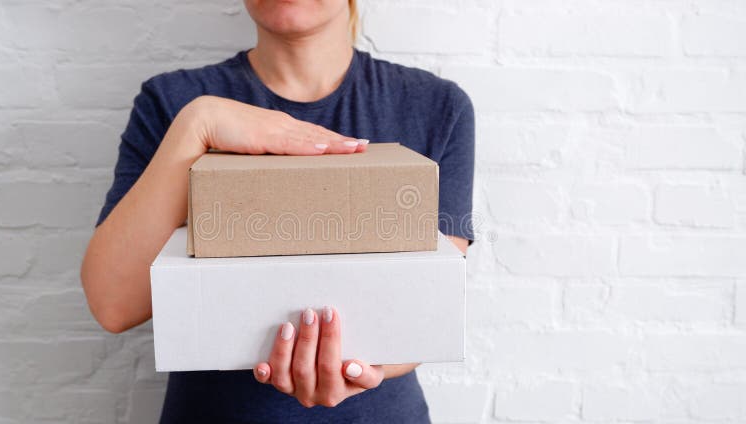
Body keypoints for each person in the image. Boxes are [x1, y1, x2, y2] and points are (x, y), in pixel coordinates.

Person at [80, 0, 475, 422]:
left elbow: (429, 310)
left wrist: (360, 369)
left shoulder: (436, 105)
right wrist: (199, 122)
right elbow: (114, 304)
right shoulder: (171, 103)